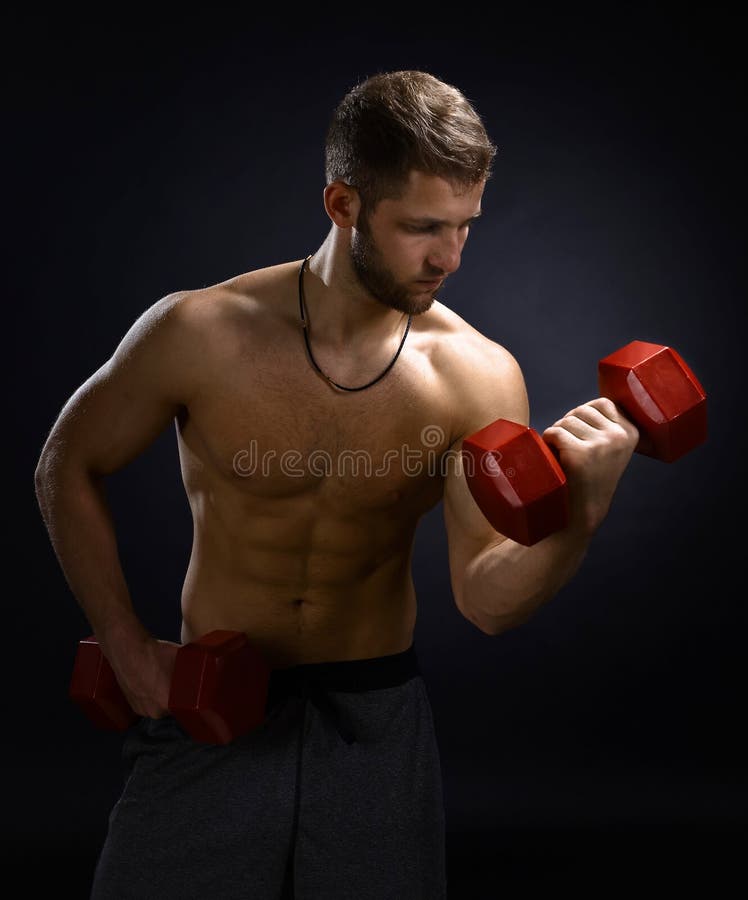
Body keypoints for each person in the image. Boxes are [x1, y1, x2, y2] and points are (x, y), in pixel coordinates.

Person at [34, 69, 638, 899]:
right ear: (343, 205)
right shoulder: (199, 331)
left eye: (466, 227)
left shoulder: (477, 377)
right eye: (423, 227)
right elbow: (66, 463)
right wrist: (127, 644)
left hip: (374, 719)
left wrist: (585, 510)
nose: (449, 257)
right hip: (215, 706)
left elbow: (488, 600)